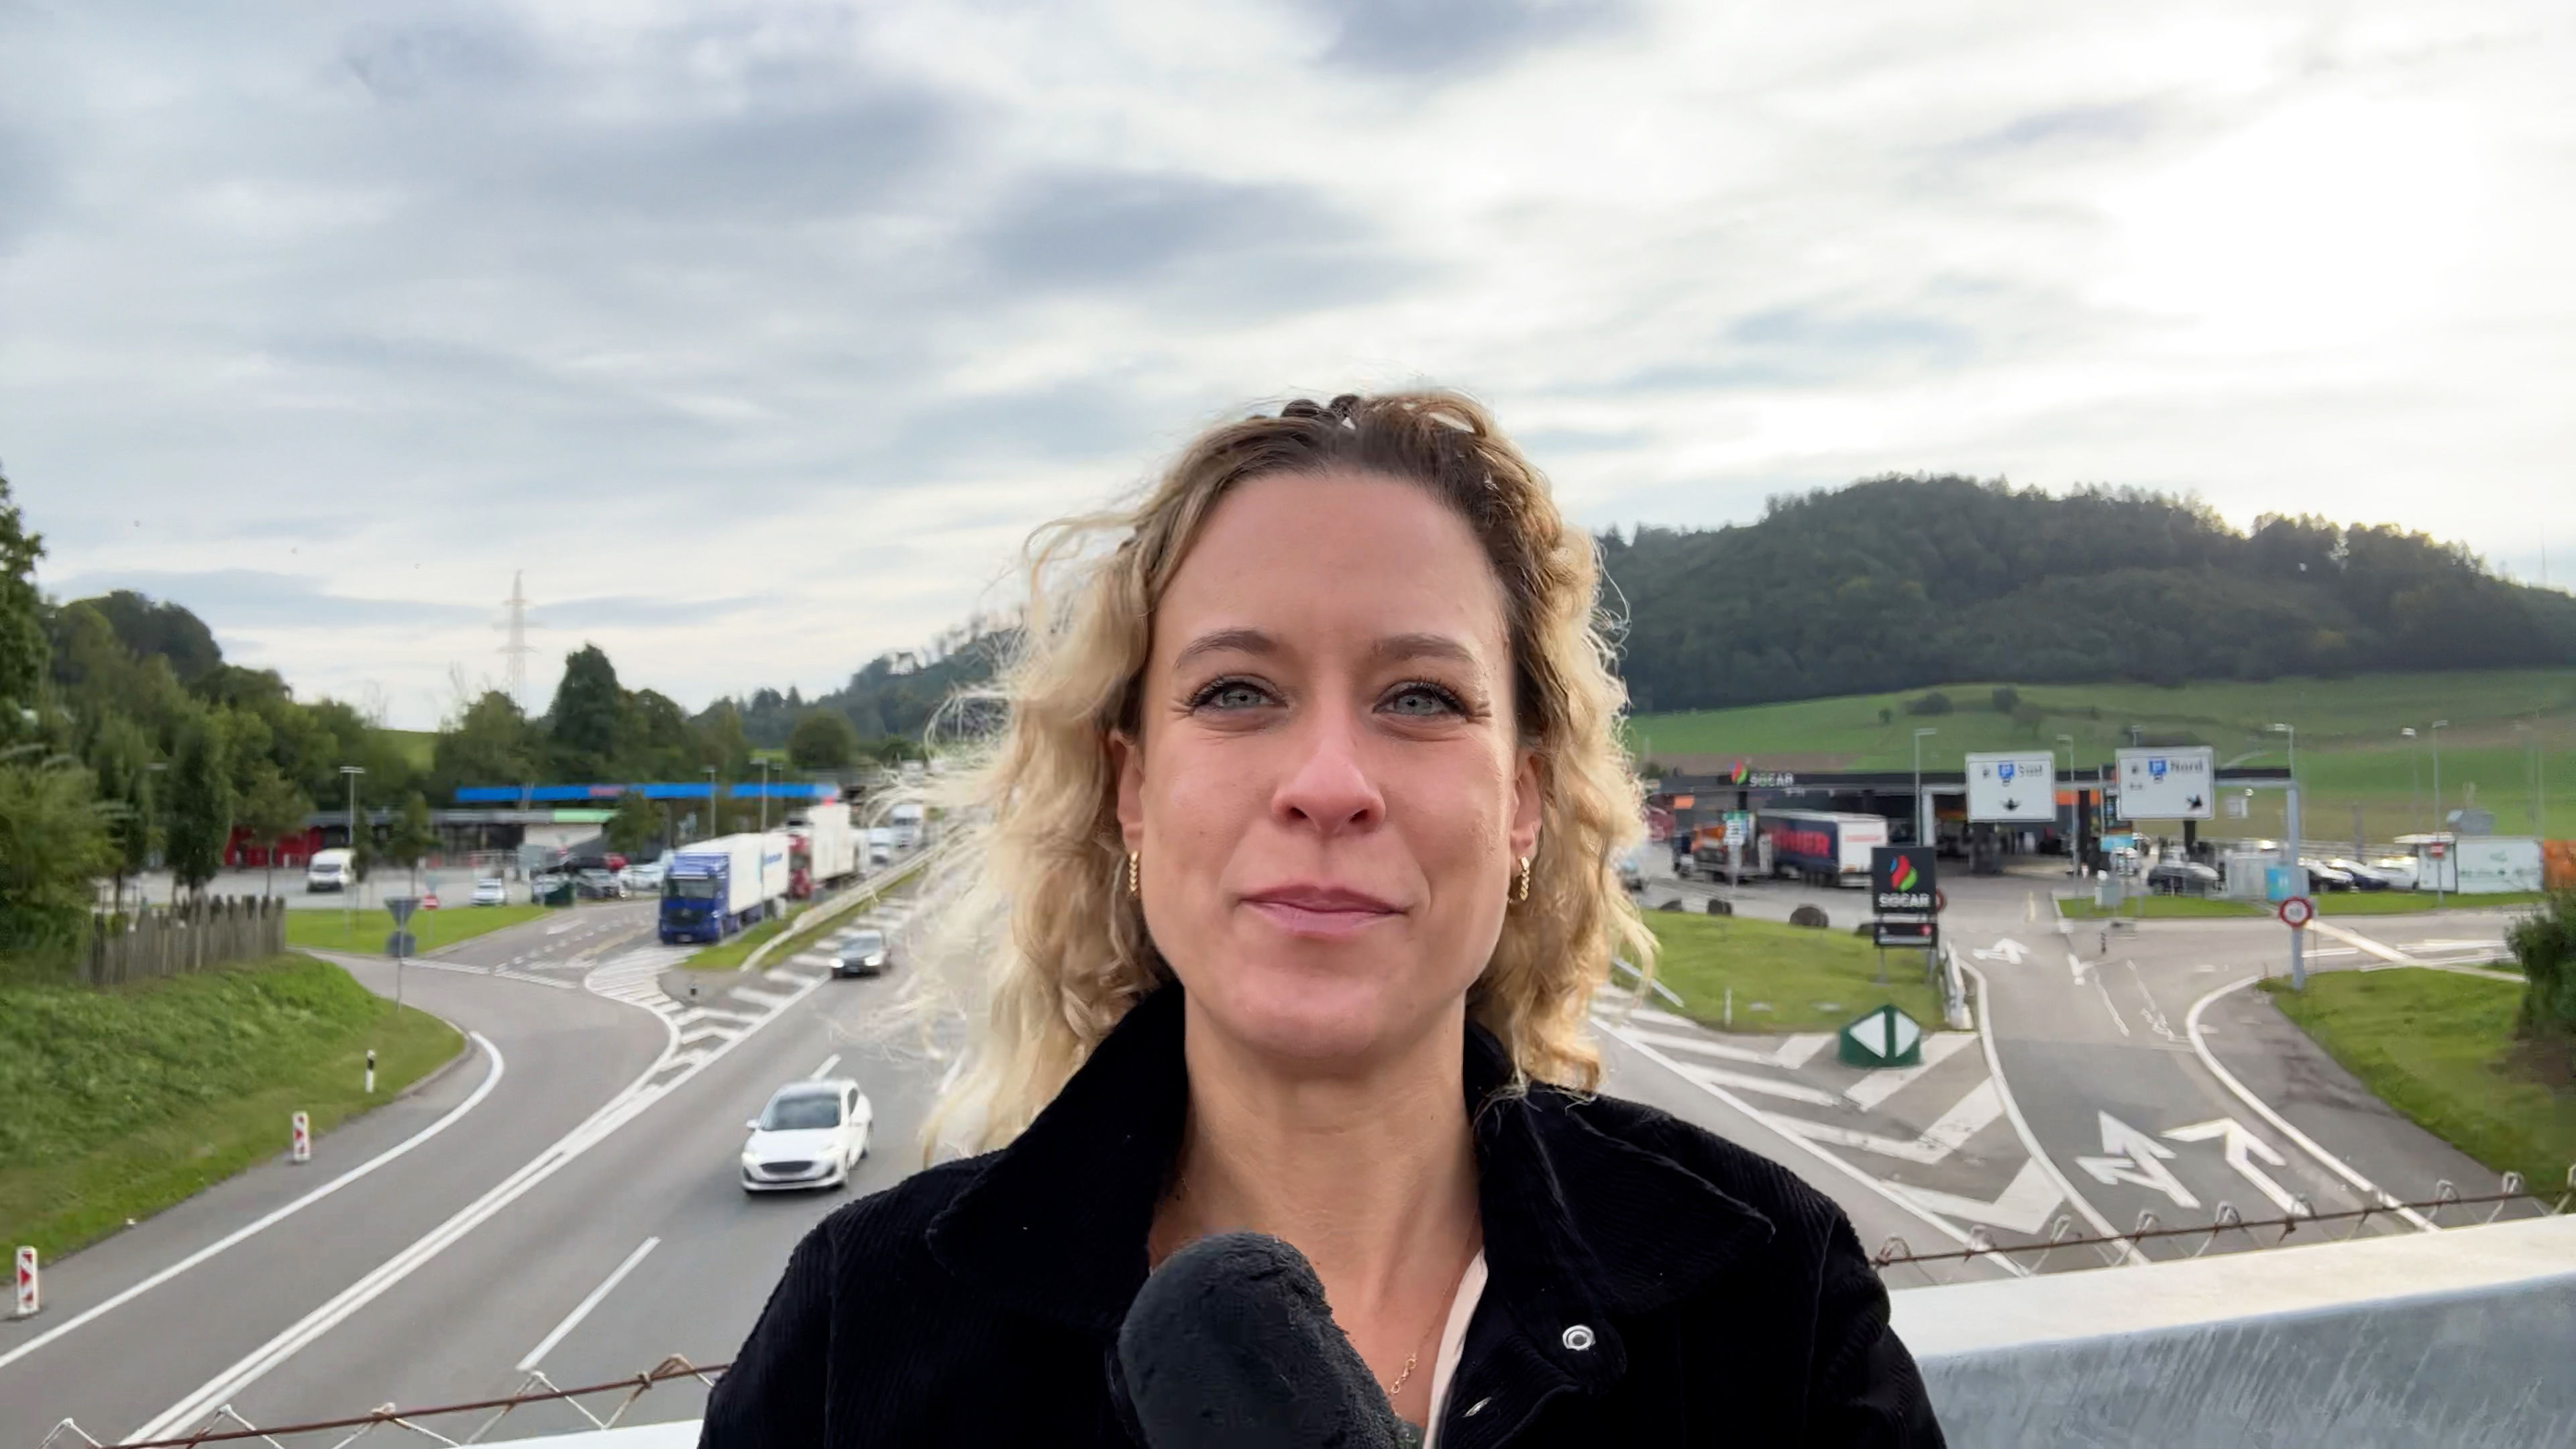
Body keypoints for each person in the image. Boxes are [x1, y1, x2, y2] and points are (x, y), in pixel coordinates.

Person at [702, 391, 1943, 1446]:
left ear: (1522, 804)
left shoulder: (1768, 1297)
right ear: (1134, 790)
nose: (1330, 784)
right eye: (1238, 691)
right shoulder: (863, 1331)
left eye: (1420, 696)